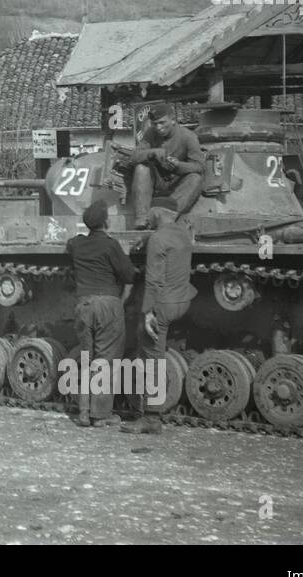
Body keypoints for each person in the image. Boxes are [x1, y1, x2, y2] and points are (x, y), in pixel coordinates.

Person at [122, 201, 196, 435]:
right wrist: (147, 240)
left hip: (162, 305)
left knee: (151, 356)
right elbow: (166, 244)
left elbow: (153, 281)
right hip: (183, 300)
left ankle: (152, 418)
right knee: (152, 350)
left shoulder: (158, 240)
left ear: (158, 212)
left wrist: (147, 313)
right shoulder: (183, 233)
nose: (148, 215)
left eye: (151, 211)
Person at [65, 199, 137, 427]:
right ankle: (100, 415)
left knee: (87, 357)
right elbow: (128, 275)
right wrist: (124, 254)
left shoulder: (76, 244)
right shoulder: (111, 245)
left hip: (84, 305)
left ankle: (84, 411)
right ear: (106, 222)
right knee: (106, 359)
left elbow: (71, 244)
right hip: (107, 304)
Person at [129, 103, 204, 229]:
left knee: (196, 178)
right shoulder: (150, 133)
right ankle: (142, 219)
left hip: (178, 182)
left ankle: (165, 216)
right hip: (157, 181)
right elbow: (134, 157)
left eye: (162, 122)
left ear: (173, 120)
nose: (158, 127)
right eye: (155, 123)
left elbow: (200, 166)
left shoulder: (188, 137)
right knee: (141, 168)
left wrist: (178, 165)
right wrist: (152, 152)